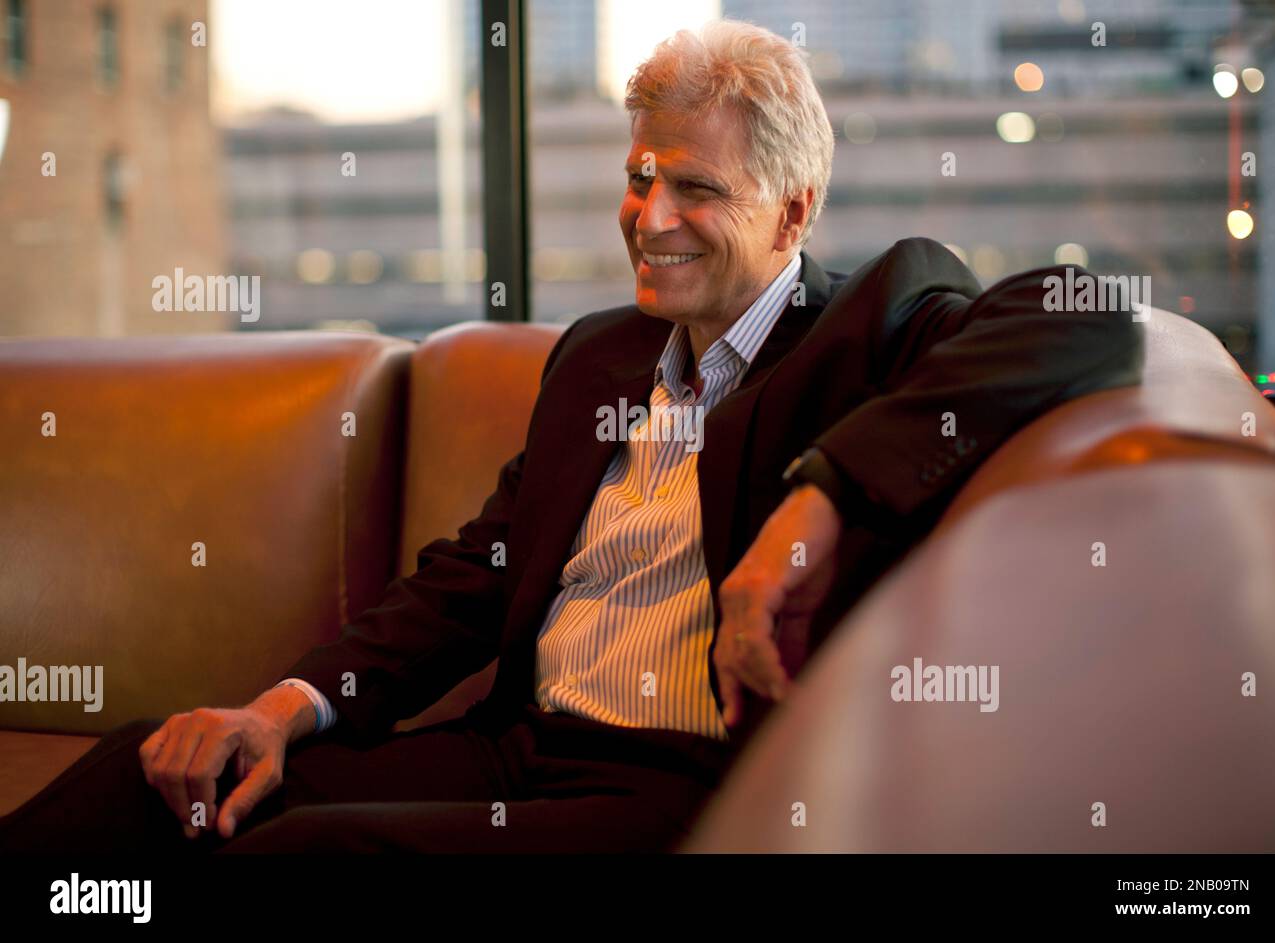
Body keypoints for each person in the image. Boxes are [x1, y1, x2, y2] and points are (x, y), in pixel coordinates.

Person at [0, 19, 1142, 854]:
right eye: (640, 175)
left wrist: (823, 496)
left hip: (687, 787)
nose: (649, 218)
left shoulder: (868, 319)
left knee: (303, 858)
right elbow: (469, 578)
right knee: (159, 776)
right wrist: (280, 709)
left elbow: (1085, 318)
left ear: (792, 211)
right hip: (518, 750)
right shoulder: (598, 355)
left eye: (696, 186)